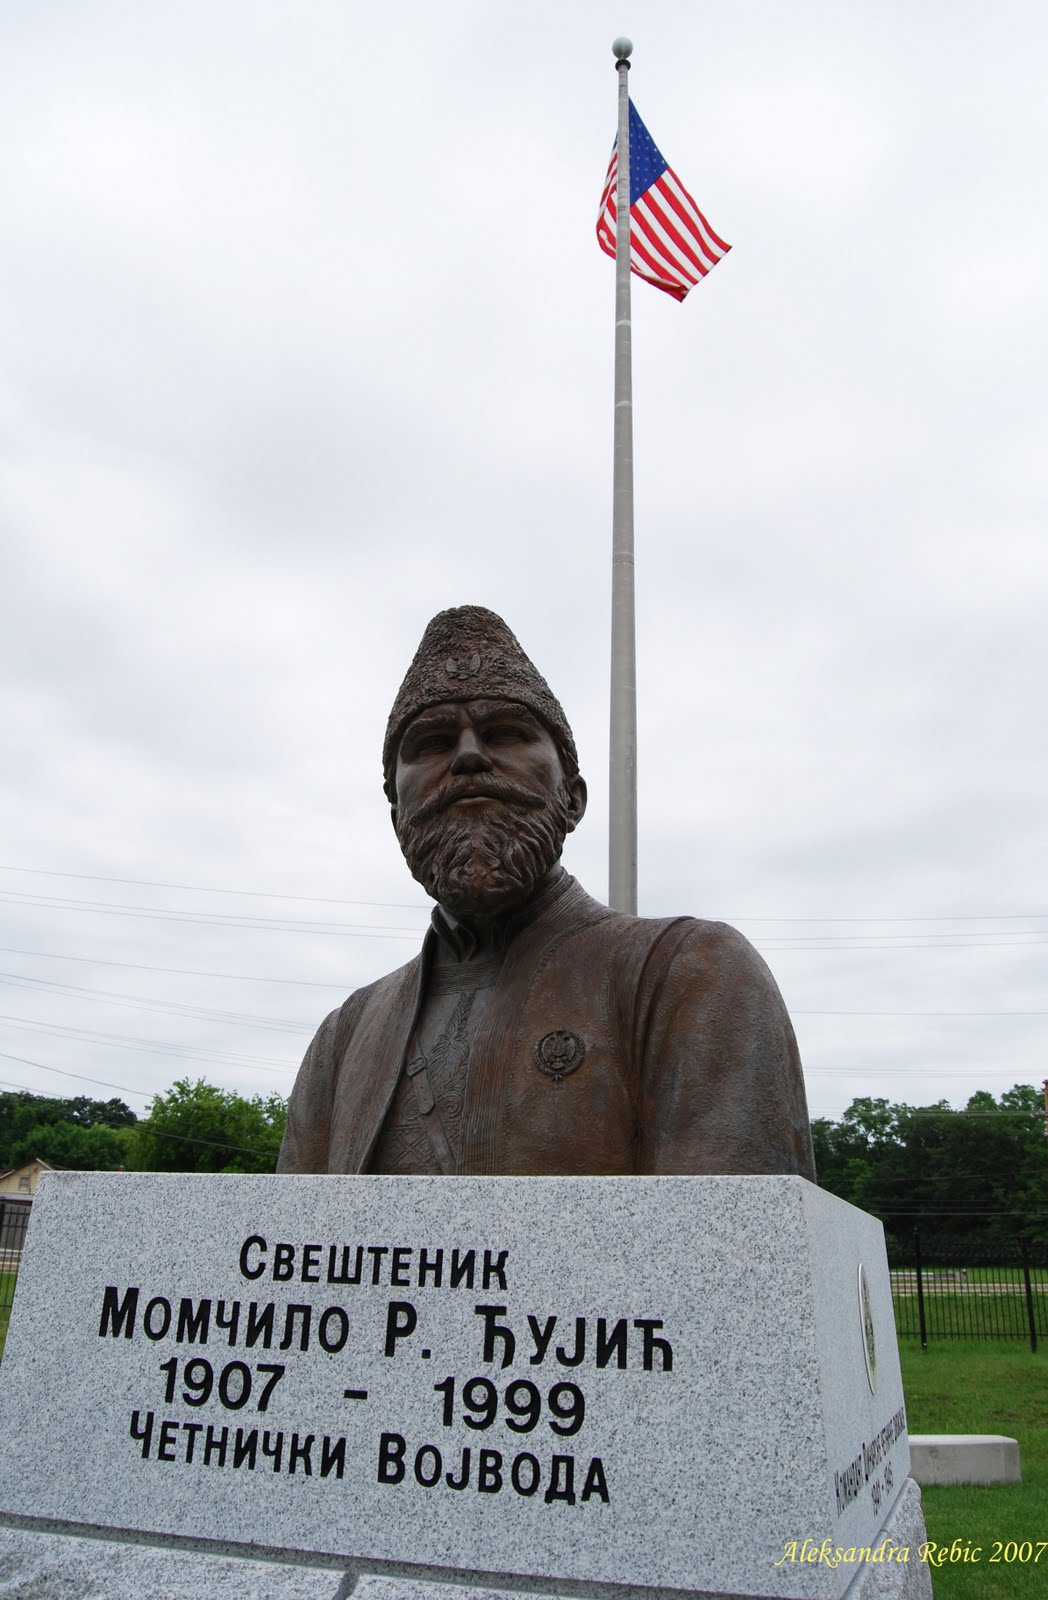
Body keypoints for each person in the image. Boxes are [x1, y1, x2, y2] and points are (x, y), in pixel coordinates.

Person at [278, 607, 815, 1179]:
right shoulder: (346, 1036)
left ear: (574, 799)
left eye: (505, 733)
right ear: (397, 816)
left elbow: (727, 1254)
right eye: (431, 743)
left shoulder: (689, 978)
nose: (467, 758)